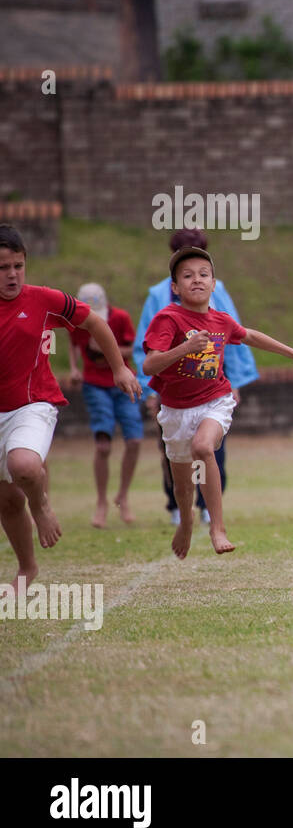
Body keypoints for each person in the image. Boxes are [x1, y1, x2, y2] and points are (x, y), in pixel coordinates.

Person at [143, 246, 293, 559]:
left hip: (216, 400)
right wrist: (185, 349)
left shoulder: (221, 320)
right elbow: (149, 366)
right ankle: (186, 521)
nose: (196, 280)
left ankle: (217, 526)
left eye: (204, 274)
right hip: (175, 410)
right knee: (182, 482)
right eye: (187, 276)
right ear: (175, 287)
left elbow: (251, 336)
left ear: (214, 284)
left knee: (203, 447)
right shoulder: (168, 318)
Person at [0, 225, 141, 585]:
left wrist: (119, 368)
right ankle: (27, 568)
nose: (12, 275)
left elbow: (94, 320)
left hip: (34, 404)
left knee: (25, 466)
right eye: (3, 268)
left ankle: (43, 504)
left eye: (18, 265)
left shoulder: (43, 300)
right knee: (7, 502)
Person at [135, 230, 258, 526]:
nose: (198, 279)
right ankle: (179, 506)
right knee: (174, 455)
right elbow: (147, 348)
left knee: (210, 446)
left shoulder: (217, 292)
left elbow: (237, 334)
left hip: (212, 390)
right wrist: (150, 391)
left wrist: (235, 382)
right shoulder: (159, 298)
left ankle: (209, 509)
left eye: (203, 269)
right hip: (174, 396)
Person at [68, 283, 142, 528]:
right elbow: (74, 344)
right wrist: (75, 368)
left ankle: (123, 495)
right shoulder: (77, 320)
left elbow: (135, 348)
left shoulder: (120, 318)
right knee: (103, 446)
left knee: (134, 441)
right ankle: (101, 502)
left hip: (123, 384)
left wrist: (109, 348)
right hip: (95, 385)